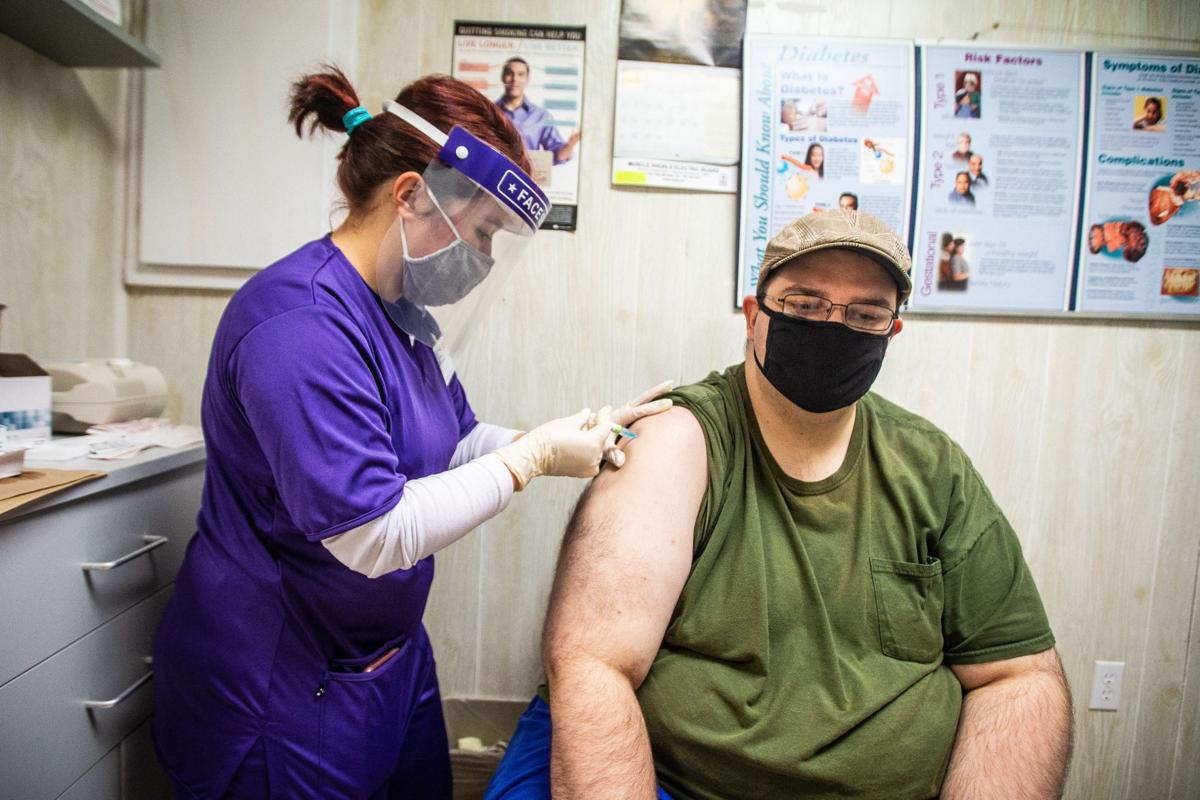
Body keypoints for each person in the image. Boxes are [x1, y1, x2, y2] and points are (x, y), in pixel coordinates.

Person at [151, 66, 670, 800]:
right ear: (410, 195)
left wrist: (565, 435)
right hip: (280, 683)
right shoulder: (299, 327)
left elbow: (451, 443)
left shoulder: (401, 315)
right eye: (483, 230)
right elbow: (371, 535)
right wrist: (533, 459)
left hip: (385, 664)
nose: (486, 258)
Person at [484, 210, 1072, 799]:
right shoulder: (682, 441)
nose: (833, 328)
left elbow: (1018, 674)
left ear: (891, 332)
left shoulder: (931, 468)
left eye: (865, 314)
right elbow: (595, 664)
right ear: (753, 314)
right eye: (804, 304)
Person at [496, 56, 581, 164]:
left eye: (520, 74)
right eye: (509, 73)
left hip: (525, 178)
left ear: (527, 79)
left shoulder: (541, 116)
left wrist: (570, 145)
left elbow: (555, 155)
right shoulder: (488, 112)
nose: (515, 79)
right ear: (503, 77)